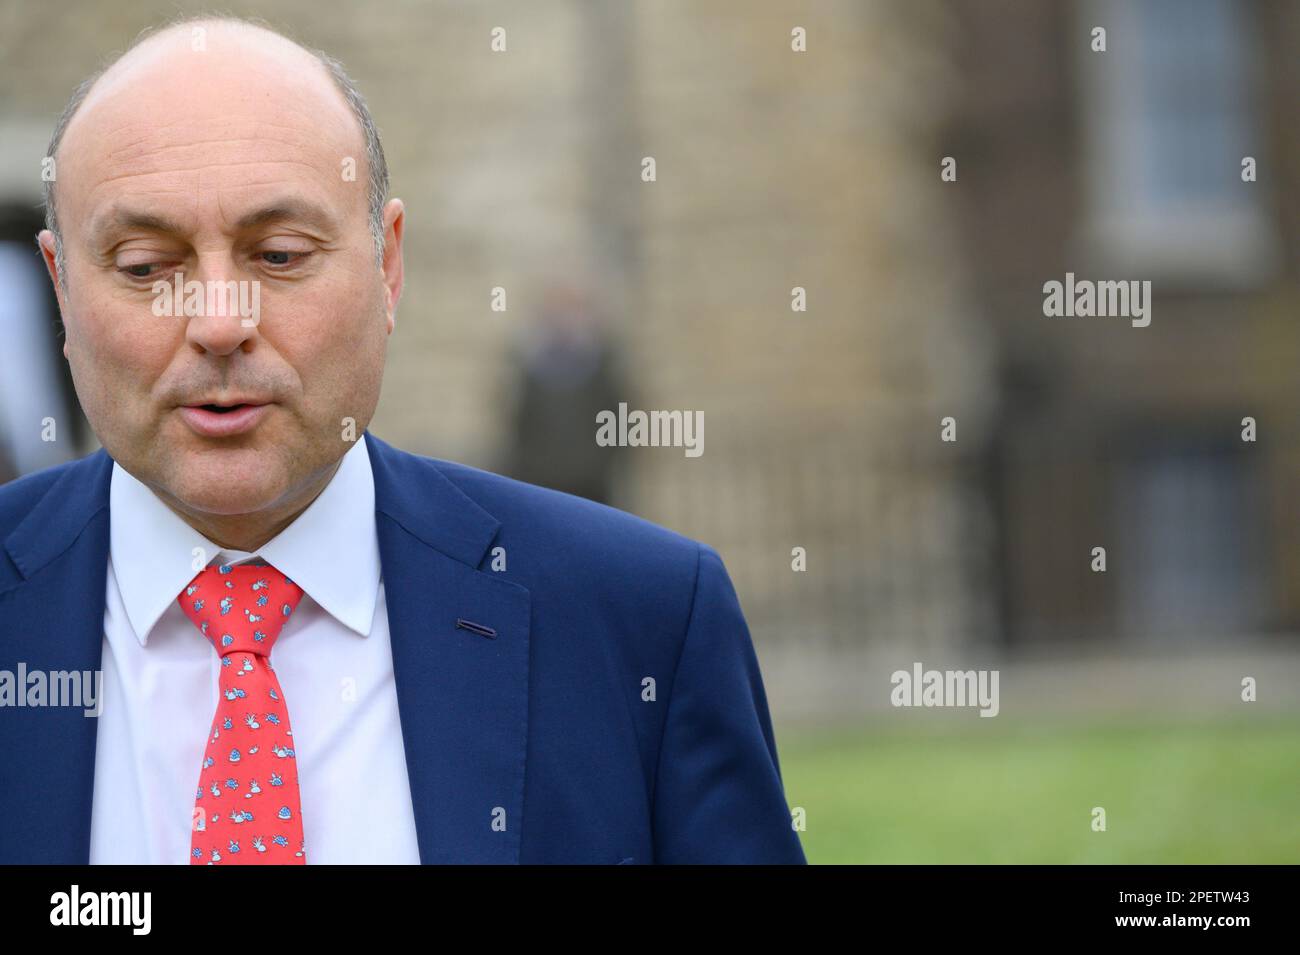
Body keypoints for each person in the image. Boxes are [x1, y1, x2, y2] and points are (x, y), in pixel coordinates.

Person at [0, 15, 804, 865]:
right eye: (144, 267)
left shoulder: (641, 619)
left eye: (277, 255)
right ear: (60, 288)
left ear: (388, 268)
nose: (219, 323)